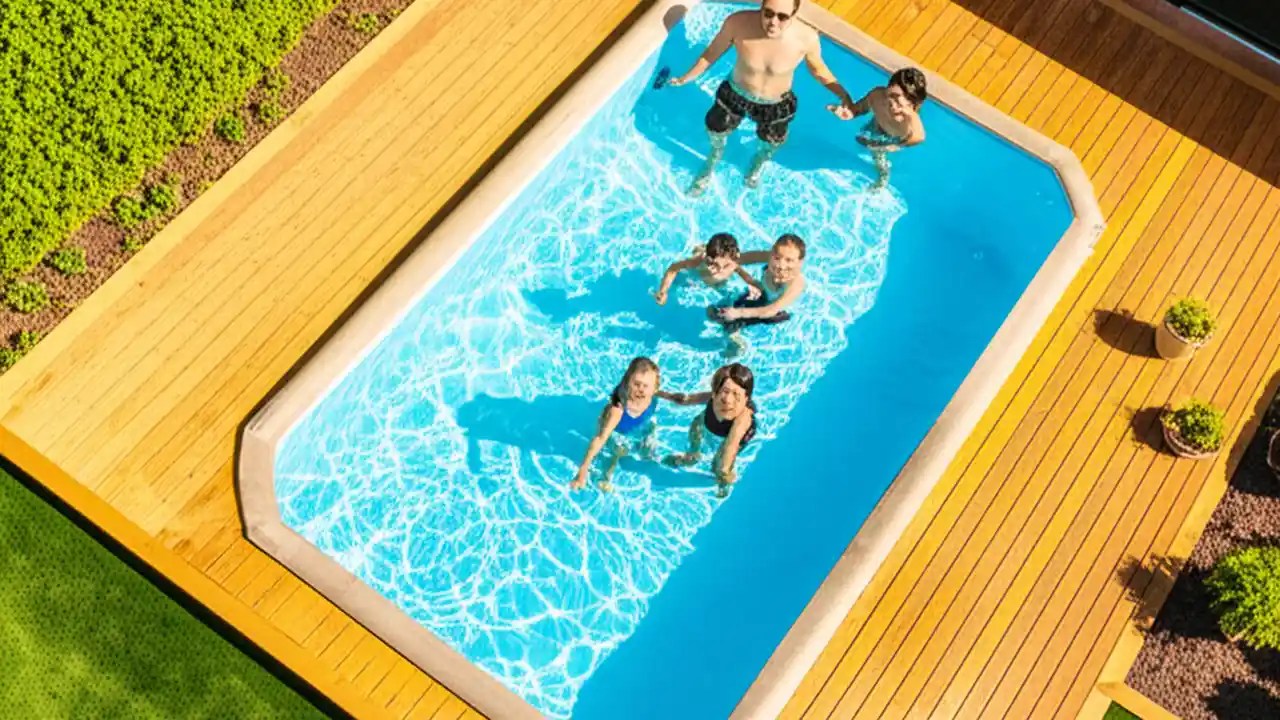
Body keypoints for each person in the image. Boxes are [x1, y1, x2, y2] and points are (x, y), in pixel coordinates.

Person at [667, 0, 857, 194]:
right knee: (715, 132)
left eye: (782, 17)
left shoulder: (806, 38)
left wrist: (843, 95)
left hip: (776, 104)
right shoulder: (737, 23)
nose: (773, 22)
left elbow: (818, 70)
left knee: (771, 143)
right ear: (761, 7)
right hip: (735, 95)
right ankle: (711, 163)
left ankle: (757, 165)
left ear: (794, 14)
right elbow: (711, 54)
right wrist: (685, 78)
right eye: (768, 13)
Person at [573, 357, 678, 493]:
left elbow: (660, 393)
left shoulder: (653, 394)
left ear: (654, 388)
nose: (641, 390)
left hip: (641, 425)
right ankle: (604, 478)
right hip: (617, 431)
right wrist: (583, 469)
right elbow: (600, 438)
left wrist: (672, 397)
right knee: (616, 451)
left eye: (646, 386)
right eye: (636, 384)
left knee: (648, 450)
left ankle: (661, 461)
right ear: (627, 383)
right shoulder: (618, 410)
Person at [664, 363, 758, 498]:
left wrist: (724, 470)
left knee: (718, 467)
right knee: (697, 426)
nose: (728, 399)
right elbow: (688, 399)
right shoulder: (713, 396)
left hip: (732, 435)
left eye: (736, 395)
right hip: (708, 423)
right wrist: (661, 394)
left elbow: (731, 444)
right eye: (725, 391)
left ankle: (724, 483)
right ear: (715, 391)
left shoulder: (742, 421)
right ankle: (691, 456)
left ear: (746, 399)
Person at [833, 67, 928, 187]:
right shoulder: (877, 96)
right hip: (876, 127)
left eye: (900, 103)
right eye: (891, 96)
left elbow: (919, 137)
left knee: (880, 163)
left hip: (892, 139)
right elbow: (859, 109)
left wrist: (894, 145)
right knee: (861, 141)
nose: (893, 106)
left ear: (913, 105)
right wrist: (848, 113)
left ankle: (882, 180)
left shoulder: (910, 118)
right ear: (887, 89)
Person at [712, 233, 806, 331]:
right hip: (762, 294)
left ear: (800, 262)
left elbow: (771, 310)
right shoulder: (770, 257)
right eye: (777, 258)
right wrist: (721, 263)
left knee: (729, 326)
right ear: (772, 252)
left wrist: (738, 313)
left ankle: (737, 341)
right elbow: (739, 259)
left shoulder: (796, 283)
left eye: (789, 260)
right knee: (715, 312)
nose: (781, 265)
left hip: (773, 312)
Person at [653, 232, 751, 305]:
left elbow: (743, 275)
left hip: (717, 284)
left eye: (718, 266)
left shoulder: (734, 264)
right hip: (698, 276)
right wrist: (663, 291)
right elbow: (673, 268)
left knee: (734, 301)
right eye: (710, 262)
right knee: (676, 281)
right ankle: (700, 248)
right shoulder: (699, 260)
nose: (712, 268)